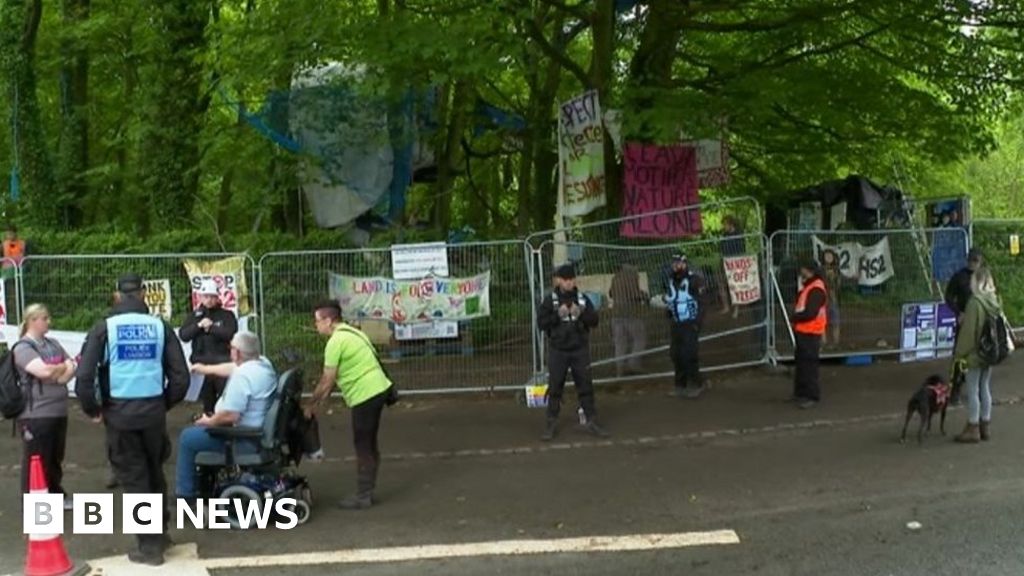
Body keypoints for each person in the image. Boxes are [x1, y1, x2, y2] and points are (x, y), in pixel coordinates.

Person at [76, 273, 190, 566]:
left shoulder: (104, 329)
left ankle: (149, 547)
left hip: (119, 413)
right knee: (154, 471)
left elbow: (85, 378)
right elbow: (180, 377)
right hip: (152, 412)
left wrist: (94, 409)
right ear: (143, 295)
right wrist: (163, 403)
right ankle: (161, 535)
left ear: (117, 296)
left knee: (133, 479)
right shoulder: (159, 327)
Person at [305, 300, 396, 510]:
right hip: (379, 389)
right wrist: (319, 402)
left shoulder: (336, 342)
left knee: (363, 444)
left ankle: (364, 494)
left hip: (365, 394)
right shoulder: (353, 332)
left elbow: (327, 379)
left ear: (328, 320)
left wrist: (310, 404)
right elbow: (332, 382)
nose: (316, 325)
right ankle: (367, 490)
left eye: (317, 321)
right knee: (369, 443)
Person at [175, 332, 276, 500]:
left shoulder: (243, 377)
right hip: (258, 432)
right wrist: (205, 369)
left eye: (231, 349)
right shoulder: (263, 364)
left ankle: (185, 495)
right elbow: (233, 367)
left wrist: (209, 421)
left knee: (188, 438)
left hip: (241, 438)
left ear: (236, 352)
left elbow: (230, 416)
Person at [13, 304, 77, 508]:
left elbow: (70, 370)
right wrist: (60, 369)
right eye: (45, 318)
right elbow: (43, 372)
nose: (49, 322)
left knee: (54, 457)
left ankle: (55, 495)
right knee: (36, 458)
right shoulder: (23, 348)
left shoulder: (53, 343)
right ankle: (33, 501)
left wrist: (58, 371)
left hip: (58, 410)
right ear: (33, 321)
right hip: (35, 413)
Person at [537, 264, 608, 440]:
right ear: (558, 280)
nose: (568, 283)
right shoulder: (550, 300)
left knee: (585, 385)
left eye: (571, 279)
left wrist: (581, 314)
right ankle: (550, 423)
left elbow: (595, 321)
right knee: (555, 387)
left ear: (574, 280)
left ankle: (592, 420)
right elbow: (541, 323)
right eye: (565, 279)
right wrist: (557, 316)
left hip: (579, 350)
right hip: (558, 350)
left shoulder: (583, 299)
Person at [952, 266, 1003, 444]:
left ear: (977, 281)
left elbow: (968, 333)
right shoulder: (994, 300)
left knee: (972, 390)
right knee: (985, 388)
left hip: (975, 353)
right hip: (989, 352)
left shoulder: (975, 303)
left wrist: (959, 354)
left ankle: (973, 426)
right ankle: (985, 424)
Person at [180, 279, 238, 414]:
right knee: (207, 401)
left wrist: (210, 328)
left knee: (225, 398)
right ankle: (208, 419)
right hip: (201, 364)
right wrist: (199, 326)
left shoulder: (227, 315)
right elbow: (184, 335)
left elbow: (230, 333)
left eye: (212, 296)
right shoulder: (194, 316)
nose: (209, 300)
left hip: (221, 363)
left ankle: (224, 421)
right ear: (200, 297)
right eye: (206, 296)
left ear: (217, 297)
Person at [664, 254, 708, 398]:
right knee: (676, 355)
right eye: (674, 263)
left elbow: (702, 302)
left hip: (690, 322)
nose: (676, 266)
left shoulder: (695, 280)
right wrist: (669, 312)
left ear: (685, 263)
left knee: (689, 354)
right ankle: (680, 385)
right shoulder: (671, 280)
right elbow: (671, 299)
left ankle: (696, 384)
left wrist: (697, 323)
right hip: (676, 323)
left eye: (679, 263)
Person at [791, 261, 828, 409]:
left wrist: (795, 317)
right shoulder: (811, 287)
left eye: (803, 270)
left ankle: (812, 395)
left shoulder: (816, 289)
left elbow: (810, 313)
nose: (802, 273)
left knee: (809, 365)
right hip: (804, 330)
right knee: (801, 364)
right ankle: (801, 392)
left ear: (809, 271)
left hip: (811, 331)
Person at [608, 263, 648, 377]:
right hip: (630, 314)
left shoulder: (615, 278)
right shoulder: (631, 276)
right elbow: (634, 294)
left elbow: (611, 293)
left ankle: (619, 369)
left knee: (620, 343)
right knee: (640, 338)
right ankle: (633, 363)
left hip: (616, 315)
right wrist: (645, 295)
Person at [945, 248, 984, 323]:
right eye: (971, 260)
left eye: (976, 261)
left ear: (980, 262)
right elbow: (949, 297)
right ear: (968, 260)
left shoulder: (984, 276)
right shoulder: (959, 277)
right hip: (965, 316)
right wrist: (959, 312)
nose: (973, 263)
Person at [718, 216, 745, 316]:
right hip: (724, 262)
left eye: (725, 224)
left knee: (734, 286)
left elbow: (741, 250)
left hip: (734, 263)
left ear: (730, 224)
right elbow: (721, 248)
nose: (723, 226)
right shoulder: (724, 235)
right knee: (721, 284)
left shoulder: (739, 235)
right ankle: (726, 307)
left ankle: (736, 309)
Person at [820, 249, 842, 346]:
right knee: (822, 321)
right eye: (826, 255)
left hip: (833, 298)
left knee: (835, 321)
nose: (828, 257)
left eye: (830, 255)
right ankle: (823, 342)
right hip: (823, 298)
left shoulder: (836, 270)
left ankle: (836, 342)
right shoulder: (820, 270)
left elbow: (838, 285)